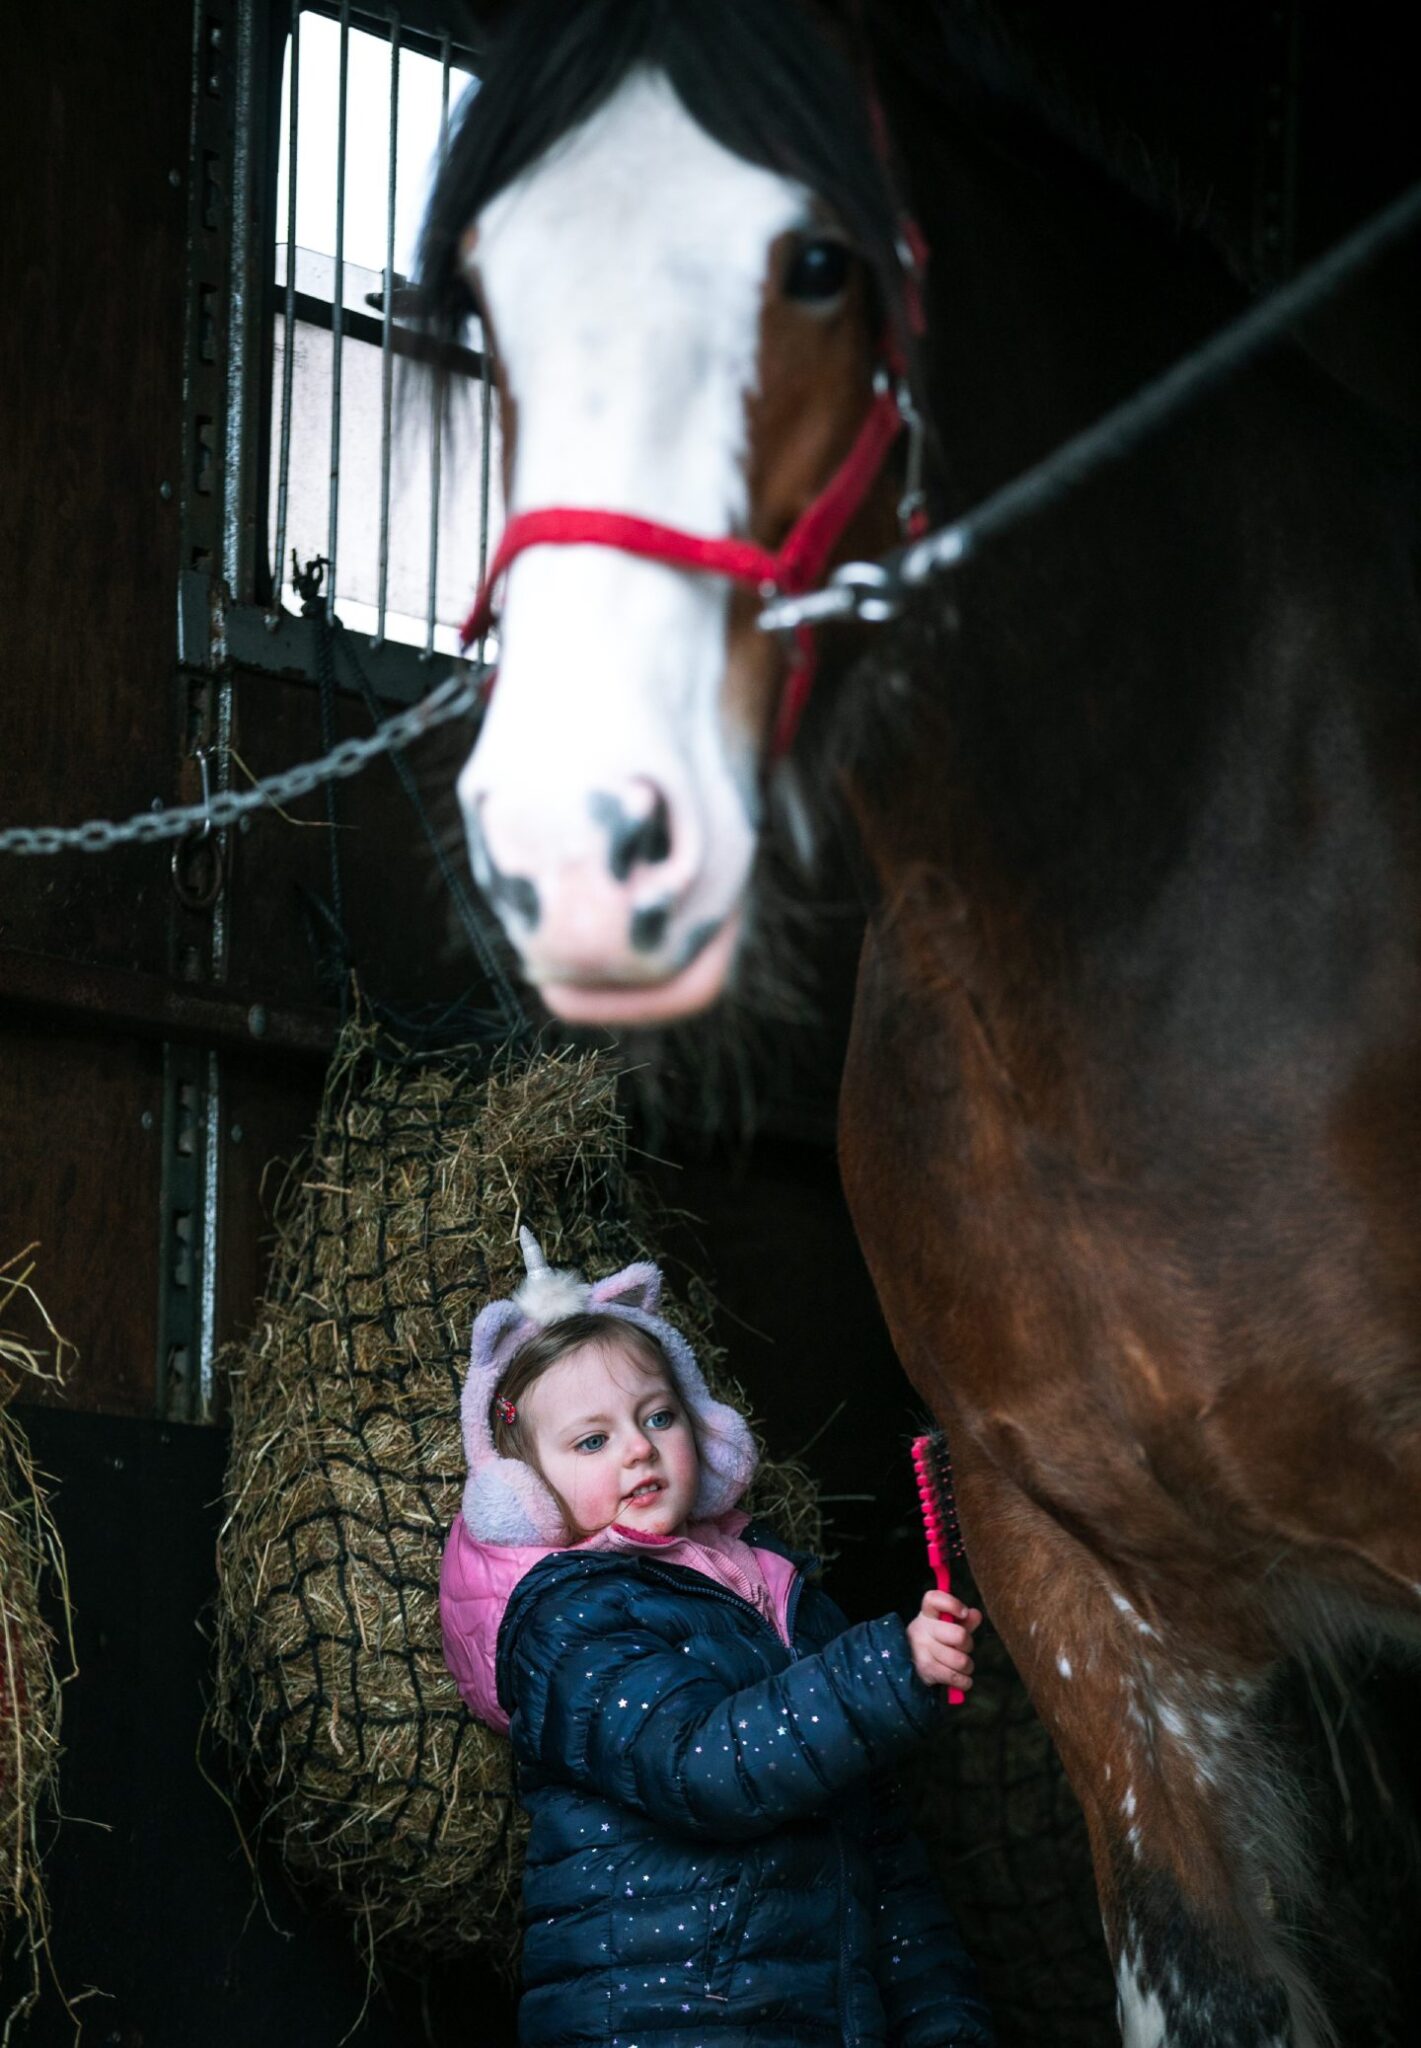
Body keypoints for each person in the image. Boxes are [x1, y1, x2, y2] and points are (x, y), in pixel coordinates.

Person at [441, 1229, 995, 2048]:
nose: (638, 1448)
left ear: (706, 1431)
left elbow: (879, 1850)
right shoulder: (568, 1626)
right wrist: (888, 1668)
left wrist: (940, 2021)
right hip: (665, 2021)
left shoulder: (776, 1591)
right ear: (526, 1493)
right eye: (592, 1440)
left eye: (658, 1416)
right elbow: (700, 1764)